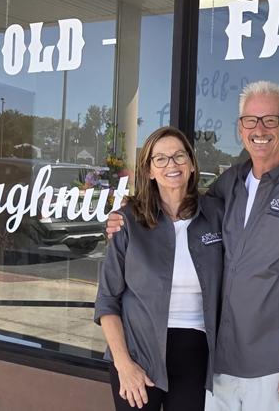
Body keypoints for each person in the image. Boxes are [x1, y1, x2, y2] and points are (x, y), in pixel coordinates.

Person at [106, 81, 279, 410]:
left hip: (273, 367)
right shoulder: (229, 184)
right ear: (240, 129)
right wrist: (126, 218)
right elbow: (181, 205)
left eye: (270, 120)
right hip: (219, 365)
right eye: (250, 120)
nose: (260, 129)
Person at [94, 127, 224, 411]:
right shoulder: (128, 222)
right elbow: (107, 302)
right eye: (160, 159)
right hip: (138, 353)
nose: (172, 165)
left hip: (196, 355)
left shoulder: (216, 215)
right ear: (150, 171)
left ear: (191, 164)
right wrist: (123, 364)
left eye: (179, 156)